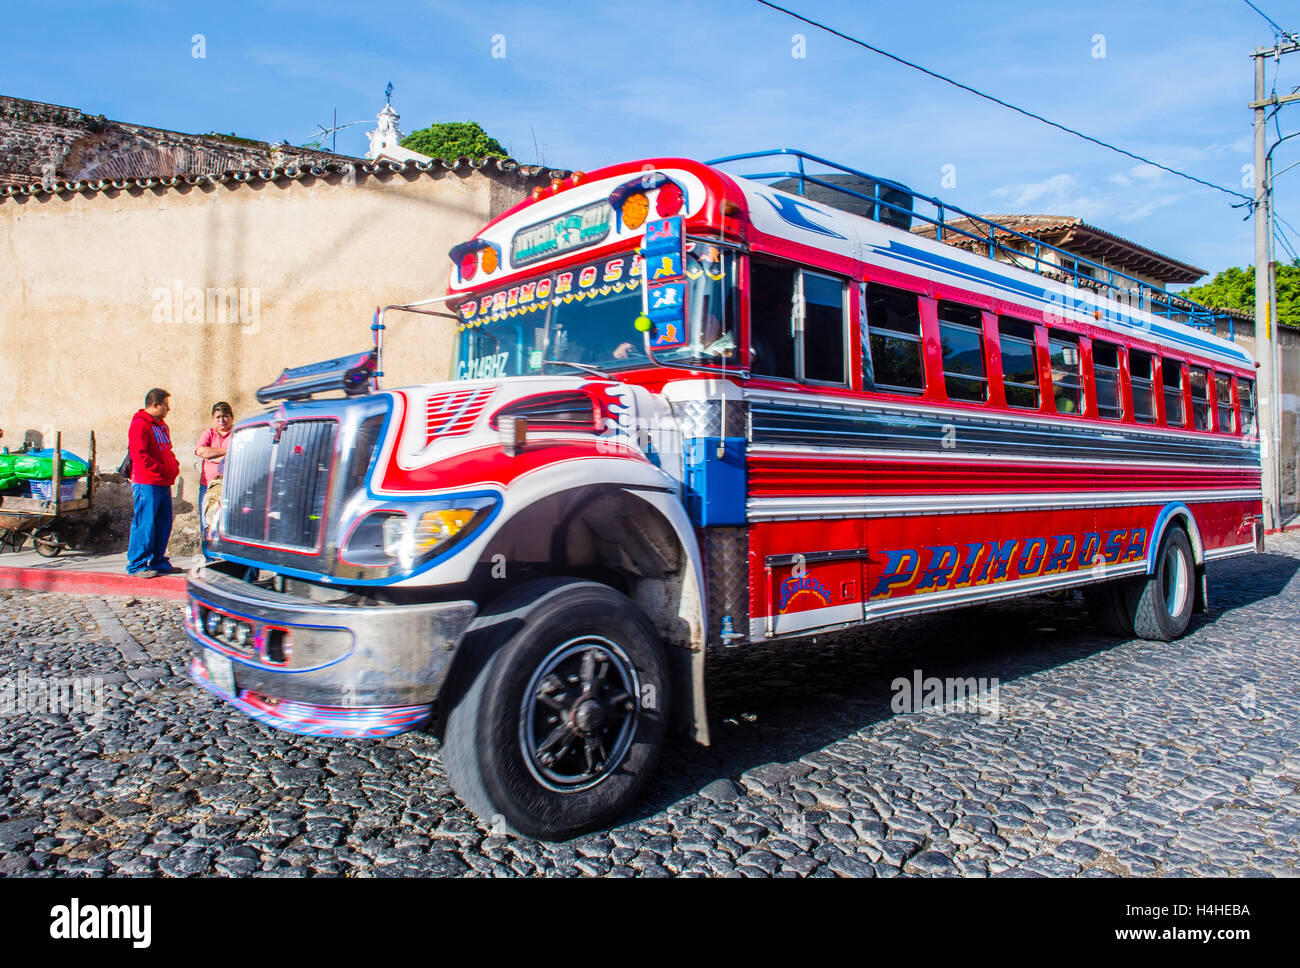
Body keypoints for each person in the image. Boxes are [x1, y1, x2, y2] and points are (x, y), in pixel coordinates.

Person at [126, 388, 180, 577]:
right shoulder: (140, 425)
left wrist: (173, 465)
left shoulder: (162, 426)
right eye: (165, 406)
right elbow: (139, 455)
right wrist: (161, 469)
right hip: (147, 482)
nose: (168, 410)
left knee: (163, 522)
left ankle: (158, 560)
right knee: (145, 523)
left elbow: (167, 449)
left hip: (163, 482)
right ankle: (137, 564)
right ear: (155, 405)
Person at [195, 401, 233, 531]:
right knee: (207, 521)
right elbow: (201, 451)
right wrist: (228, 451)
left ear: (231, 418)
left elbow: (238, 455)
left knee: (226, 521)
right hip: (208, 484)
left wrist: (212, 455)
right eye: (218, 417)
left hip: (229, 485)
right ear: (213, 419)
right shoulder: (209, 434)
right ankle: (207, 548)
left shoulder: (236, 433)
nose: (222, 420)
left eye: (225, 416)